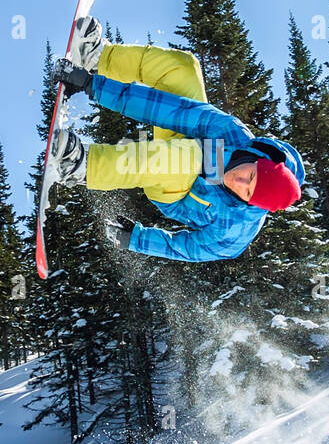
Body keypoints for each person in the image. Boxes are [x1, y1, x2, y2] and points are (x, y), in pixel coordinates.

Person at [48, 16, 305, 262]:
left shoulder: (235, 230)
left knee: (190, 156)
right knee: (183, 69)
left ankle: (80, 167)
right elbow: (172, 111)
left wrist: (136, 239)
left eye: (246, 192)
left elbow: (188, 249)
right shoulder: (231, 135)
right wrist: (93, 84)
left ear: (252, 205)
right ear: (258, 160)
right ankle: (98, 57)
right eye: (250, 175)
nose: (238, 181)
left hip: (176, 194)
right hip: (197, 148)